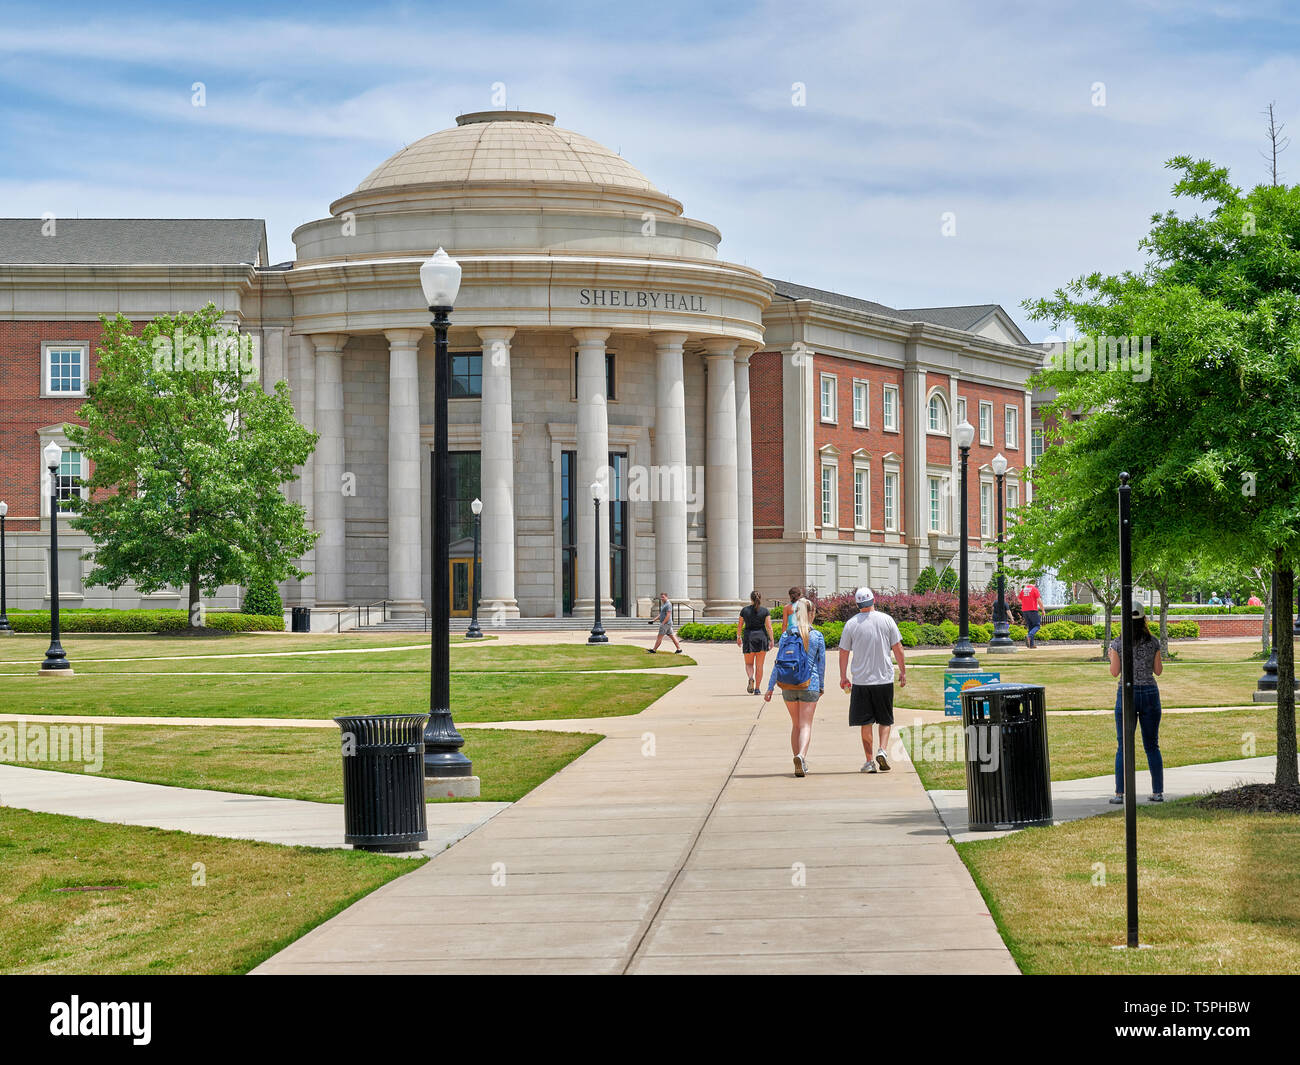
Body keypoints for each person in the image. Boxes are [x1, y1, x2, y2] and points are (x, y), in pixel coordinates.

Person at [838, 587, 905, 773]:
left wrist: (843, 676)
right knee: (885, 719)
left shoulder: (851, 624)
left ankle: (869, 761)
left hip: (861, 681)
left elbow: (843, 652)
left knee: (865, 722)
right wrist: (903, 671)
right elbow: (898, 648)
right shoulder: (887, 620)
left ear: (857, 603)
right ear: (873, 600)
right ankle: (882, 750)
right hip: (884, 679)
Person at [1108, 602, 1164, 803]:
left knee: (1123, 746)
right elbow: (1158, 671)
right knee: (1152, 745)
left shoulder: (1117, 644)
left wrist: (1111, 657)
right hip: (1150, 692)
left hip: (1127, 693)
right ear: (1143, 619)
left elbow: (1115, 672)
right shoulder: (1153, 642)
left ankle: (1119, 793)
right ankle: (1157, 791)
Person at [765, 596, 824, 777]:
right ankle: (801, 756)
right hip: (809, 684)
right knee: (806, 725)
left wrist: (770, 687)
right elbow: (821, 665)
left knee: (796, 724)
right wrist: (821, 686)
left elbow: (778, 663)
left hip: (788, 685)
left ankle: (796, 759)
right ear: (812, 613)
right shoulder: (816, 635)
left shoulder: (786, 635)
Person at [737, 591, 774, 694]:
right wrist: (771, 640)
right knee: (759, 666)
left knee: (749, 664)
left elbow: (740, 626)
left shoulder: (744, 610)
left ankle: (750, 678)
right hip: (762, 638)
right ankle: (757, 689)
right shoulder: (765, 611)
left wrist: (738, 637)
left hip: (749, 638)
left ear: (751, 598)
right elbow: (769, 627)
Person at [1018, 581, 1044, 648]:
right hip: (1033, 610)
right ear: (1034, 583)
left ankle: (1031, 645)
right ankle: (1029, 636)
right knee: (1037, 626)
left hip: (1025, 611)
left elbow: (1019, 600)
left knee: (1031, 627)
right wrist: (1043, 610)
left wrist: (1025, 602)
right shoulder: (1035, 589)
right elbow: (1039, 600)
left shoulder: (1023, 590)